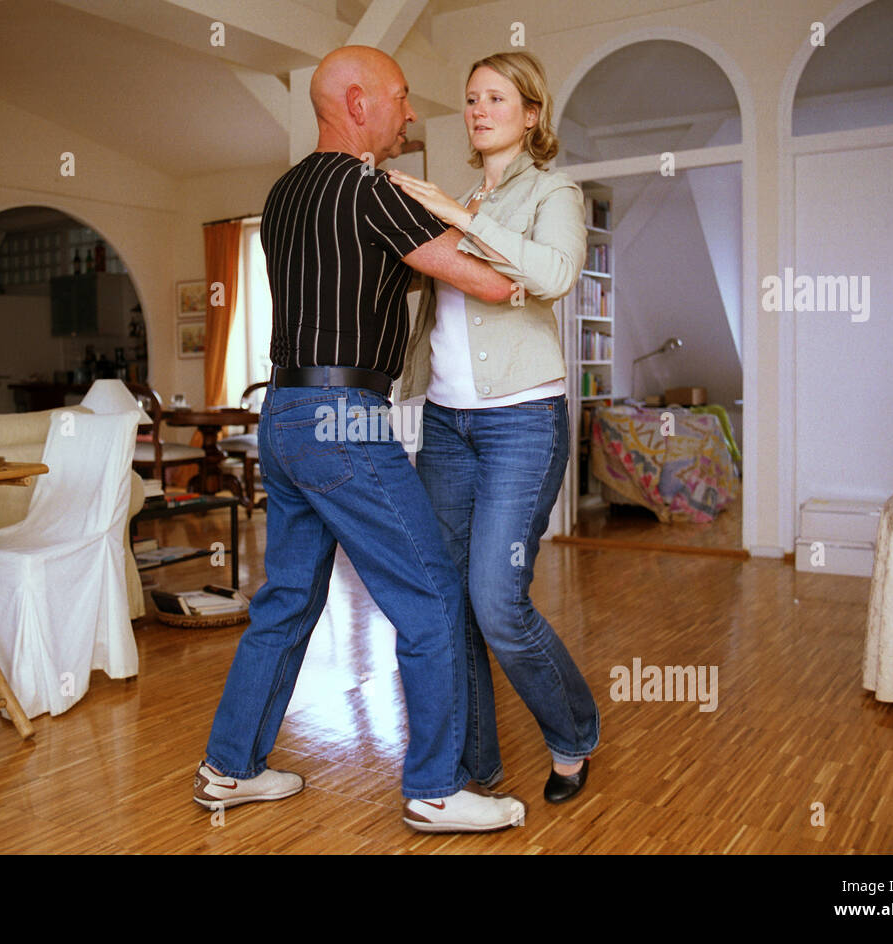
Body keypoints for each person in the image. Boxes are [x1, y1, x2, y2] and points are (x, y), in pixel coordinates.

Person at [195, 45, 527, 833]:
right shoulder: (373, 190)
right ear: (356, 103)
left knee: (285, 602)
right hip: (342, 419)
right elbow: (492, 281)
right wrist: (471, 216)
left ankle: (230, 768)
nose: (412, 114)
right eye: (403, 98)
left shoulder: (283, 195)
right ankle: (437, 788)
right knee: (433, 594)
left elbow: (365, 272)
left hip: (281, 413)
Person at [388, 51, 601, 804]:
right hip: (446, 425)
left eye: (497, 98)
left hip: (522, 422)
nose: (478, 110)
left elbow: (554, 274)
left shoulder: (553, 191)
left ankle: (573, 733)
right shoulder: (448, 197)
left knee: (497, 602)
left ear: (532, 114)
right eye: (471, 98)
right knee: (447, 598)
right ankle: (477, 765)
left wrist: (462, 216)